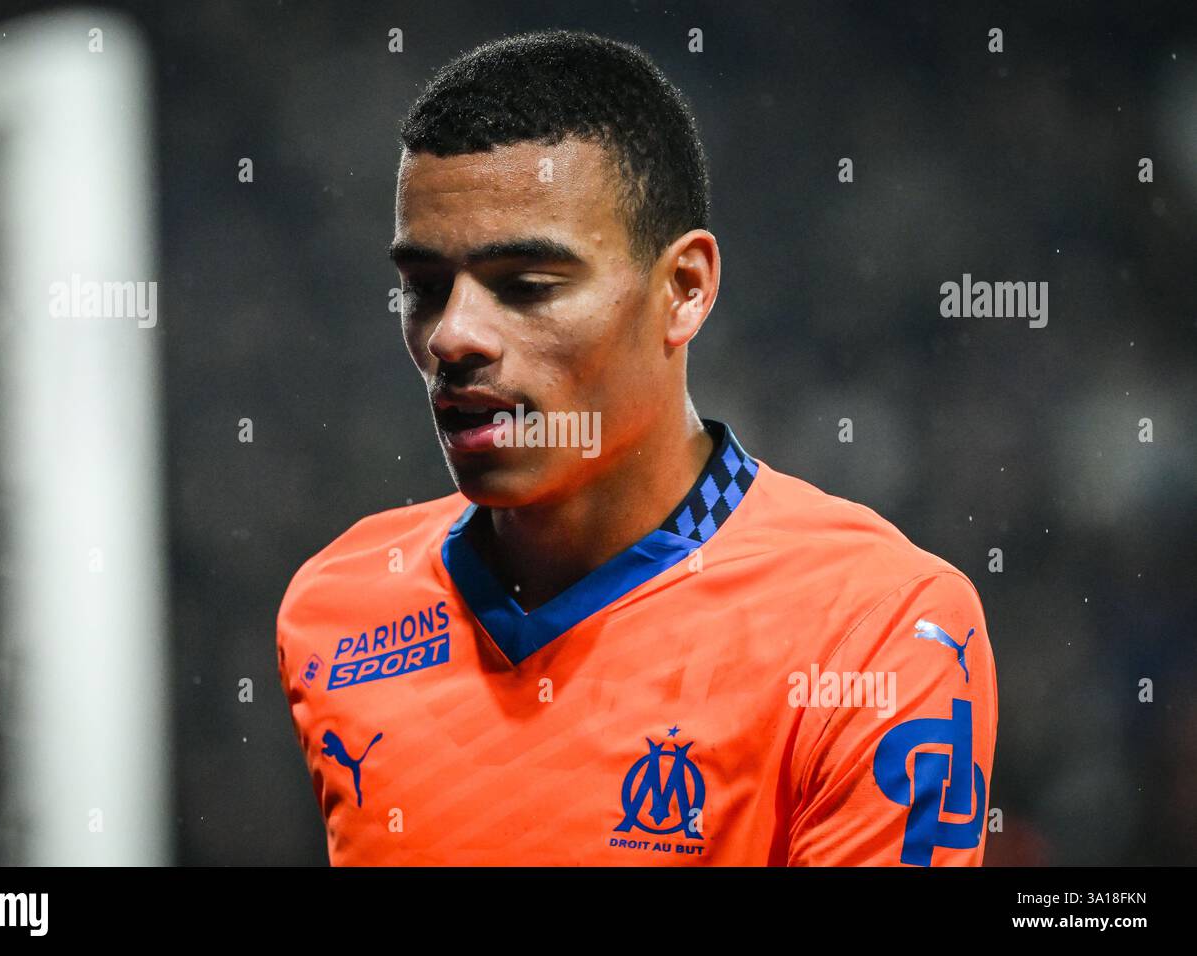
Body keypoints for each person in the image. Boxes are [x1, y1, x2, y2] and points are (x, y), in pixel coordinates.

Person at [277, 29, 996, 866]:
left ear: (684, 290)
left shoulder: (877, 629)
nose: (453, 335)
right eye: (425, 288)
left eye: (527, 285)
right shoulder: (335, 613)